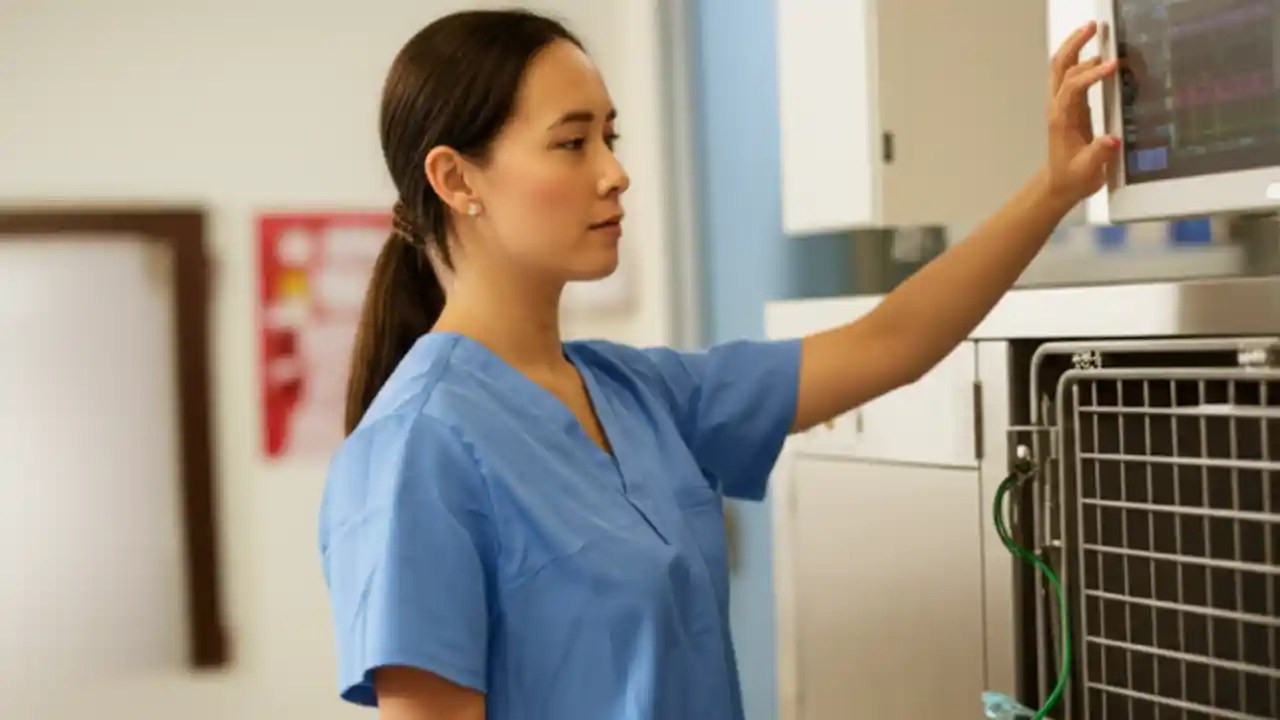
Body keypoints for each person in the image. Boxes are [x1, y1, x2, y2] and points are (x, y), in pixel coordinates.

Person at [318, 9, 1118, 720]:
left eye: (610, 136)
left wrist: (1053, 190)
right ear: (457, 179)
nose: (613, 171)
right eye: (571, 142)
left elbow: (890, 343)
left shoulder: (641, 394)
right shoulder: (415, 450)